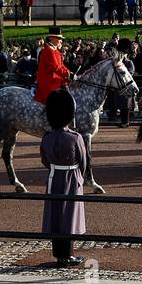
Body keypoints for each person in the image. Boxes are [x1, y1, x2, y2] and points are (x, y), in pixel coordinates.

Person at [40, 88, 86, 268]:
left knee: (56, 216)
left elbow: (44, 160)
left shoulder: (47, 137)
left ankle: (59, 254)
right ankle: (68, 255)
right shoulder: (75, 137)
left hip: (53, 176)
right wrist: (78, 177)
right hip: (72, 177)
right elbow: (83, 162)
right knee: (69, 216)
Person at [34, 27, 72, 103]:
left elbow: (61, 65)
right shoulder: (48, 51)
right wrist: (67, 74)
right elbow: (54, 67)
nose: (61, 41)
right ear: (52, 38)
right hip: (49, 81)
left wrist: (69, 72)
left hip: (56, 79)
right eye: (59, 38)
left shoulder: (56, 51)